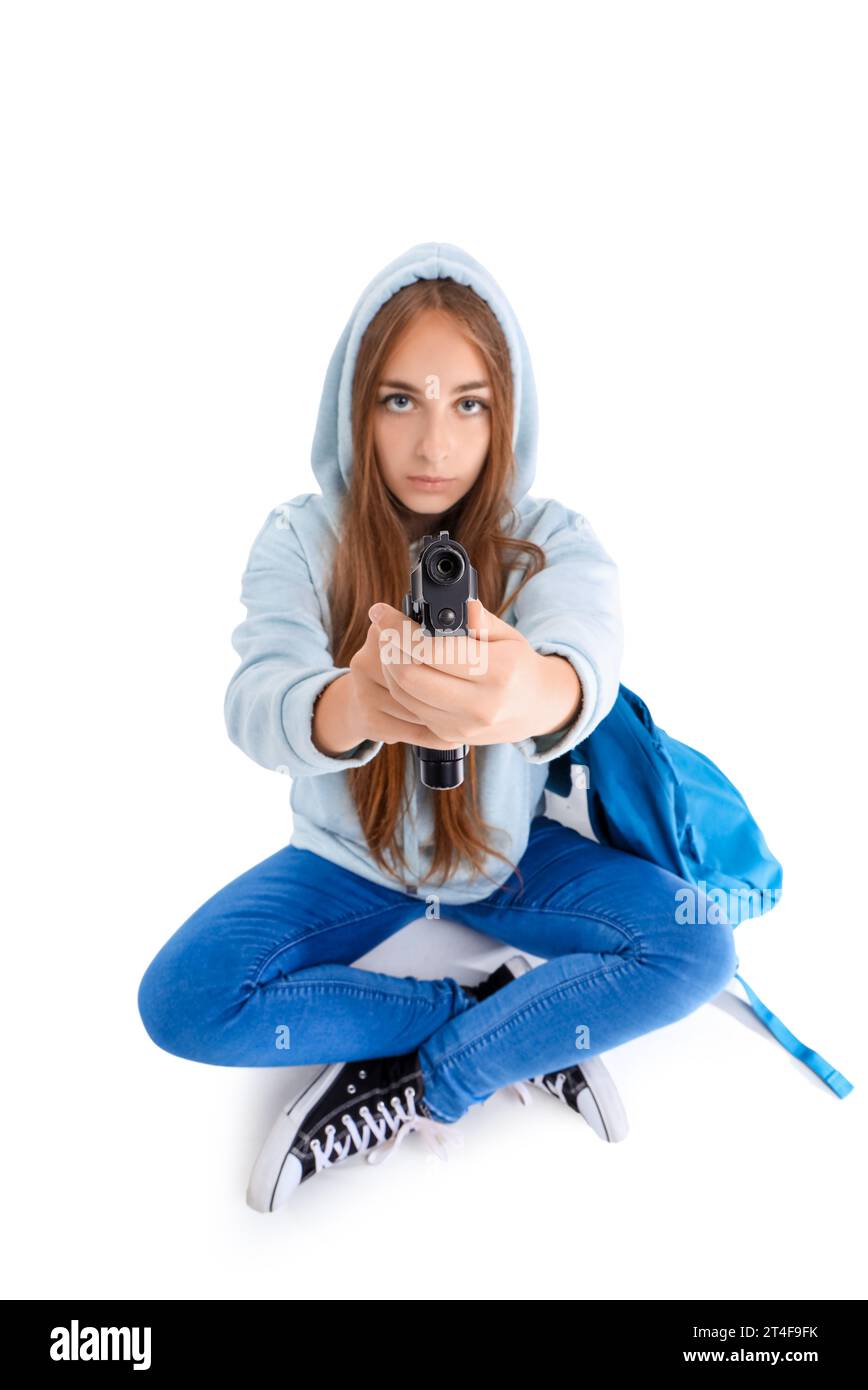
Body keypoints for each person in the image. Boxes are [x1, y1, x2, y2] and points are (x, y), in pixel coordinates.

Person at [137, 242, 737, 1211]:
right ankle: (497, 1018)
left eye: (468, 403)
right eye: (398, 399)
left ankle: (432, 1075)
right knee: (184, 1001)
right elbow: (259, 697)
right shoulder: (299, 538)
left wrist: (525, 696)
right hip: (344, 861)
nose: (433, 445)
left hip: (508, 857)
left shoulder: (553, 538)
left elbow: (579, 658)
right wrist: (356, 703)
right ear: (355, 407)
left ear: (506, 414)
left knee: (699, 946)